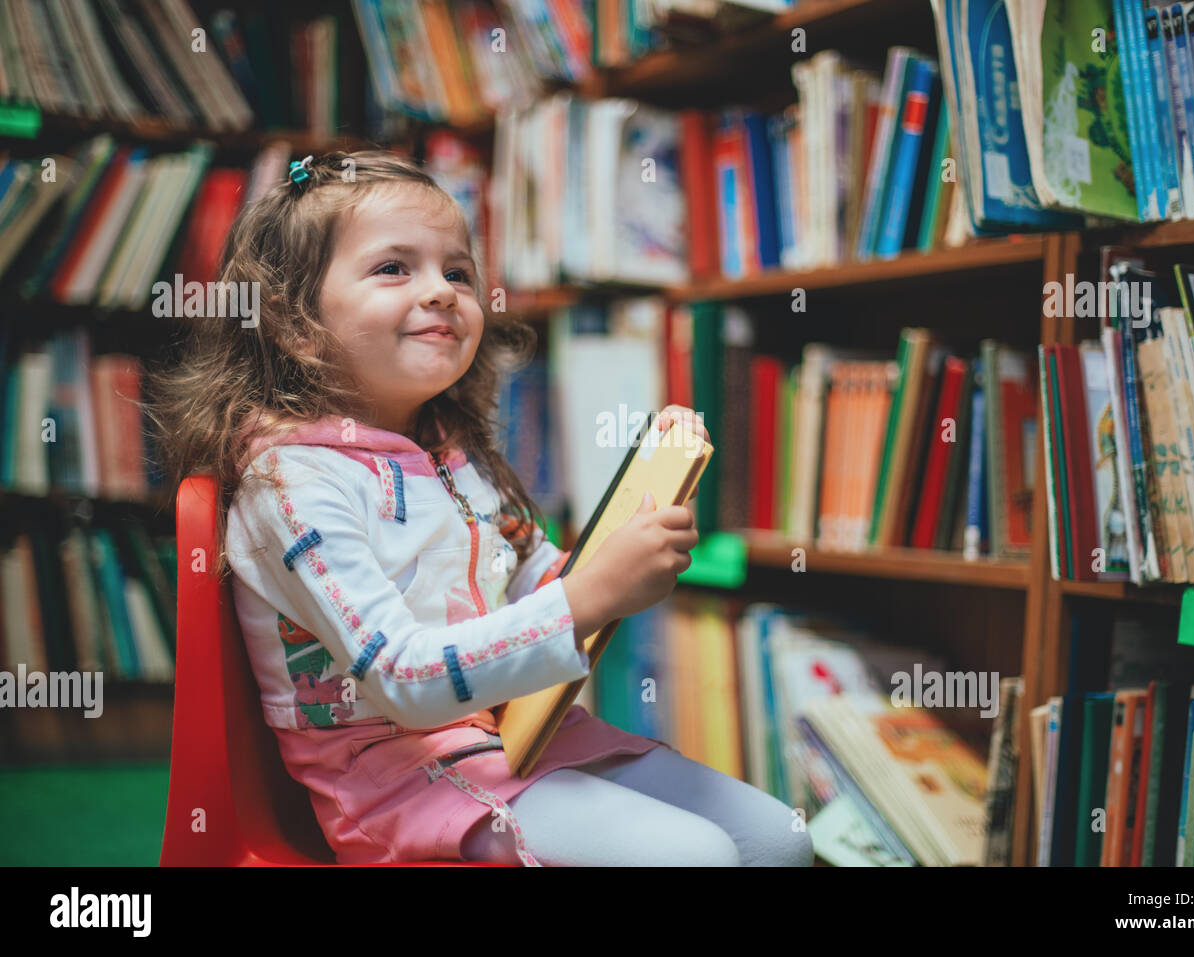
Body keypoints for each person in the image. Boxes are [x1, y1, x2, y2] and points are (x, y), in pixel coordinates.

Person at [148, 150, 813, 867]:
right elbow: (403, 677)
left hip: (515, 736)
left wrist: (623, 553)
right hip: (403, 782)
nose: (440, 291)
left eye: (457, 271)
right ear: (296, 323)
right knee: (697, 856)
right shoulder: (291, 483)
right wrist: (587, 597)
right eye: (394, 268)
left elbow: (528, 578)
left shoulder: (448, 450)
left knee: (780, 838)